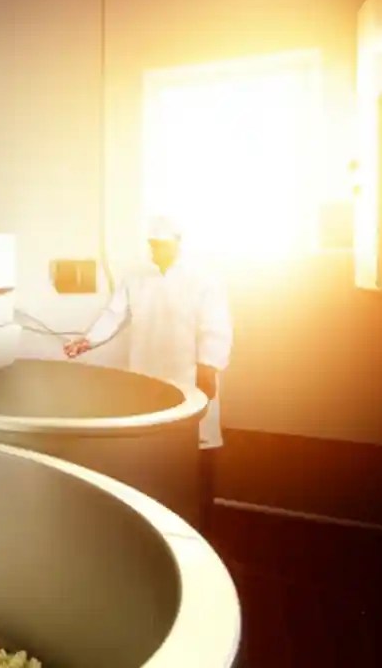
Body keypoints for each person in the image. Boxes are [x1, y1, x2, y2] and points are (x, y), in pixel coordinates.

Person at [63, 214, 233, 529]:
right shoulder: (136, 278)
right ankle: (156, 524)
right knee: (153, 450)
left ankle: (204, 527)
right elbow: (114, 314)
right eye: (153, 246)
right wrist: (89, 340)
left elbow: (215, 326)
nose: (158, 251)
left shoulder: (203, 279)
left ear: (179, 244)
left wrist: (209, 366)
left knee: (199, 452)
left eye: (164, 245)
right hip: (148, 375)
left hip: (192, 378)